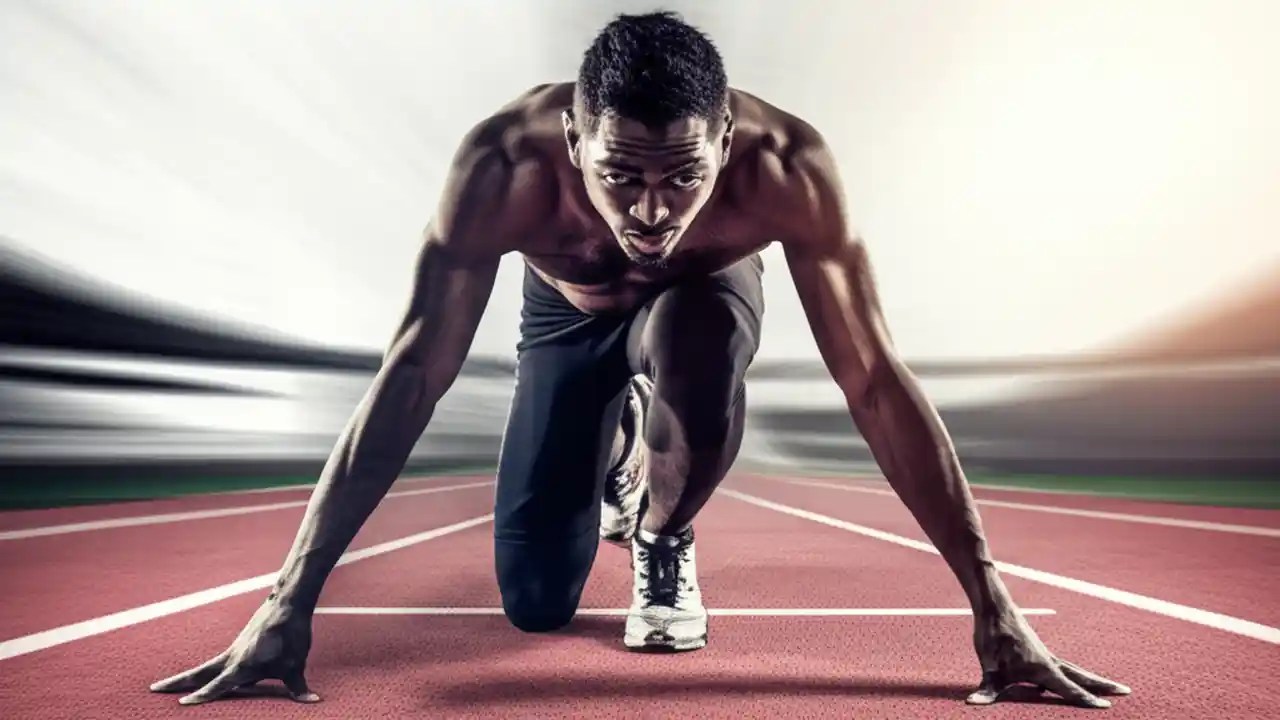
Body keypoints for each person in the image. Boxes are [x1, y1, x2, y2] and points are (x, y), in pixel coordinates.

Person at [150, 11, 1131, 710]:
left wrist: (990, 602)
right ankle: (611, 433)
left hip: (701, 309)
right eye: (621, 174)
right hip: (563, 319)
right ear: (573, 140)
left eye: (683, 176)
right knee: (535, 606)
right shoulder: (499, 168)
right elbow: (413, 373)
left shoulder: (787, 169)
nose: (651, 211)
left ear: (727, 141)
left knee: (694, 336)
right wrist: (290, 599)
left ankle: (661, 529)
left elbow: (871, 377)